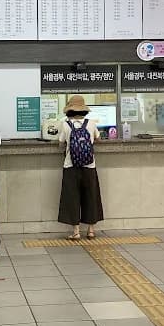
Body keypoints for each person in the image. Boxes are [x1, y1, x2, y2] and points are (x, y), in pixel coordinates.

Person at [58, 95, 104, 239]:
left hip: (71, 166)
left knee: (72, 197)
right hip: (89, 166)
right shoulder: (91, 124)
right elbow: (98, 139)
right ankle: (90, 230)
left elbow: (60, 143)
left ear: (69, 110)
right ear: (84, 110)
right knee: (91, 196)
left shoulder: (65, 124)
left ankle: (76, 232)